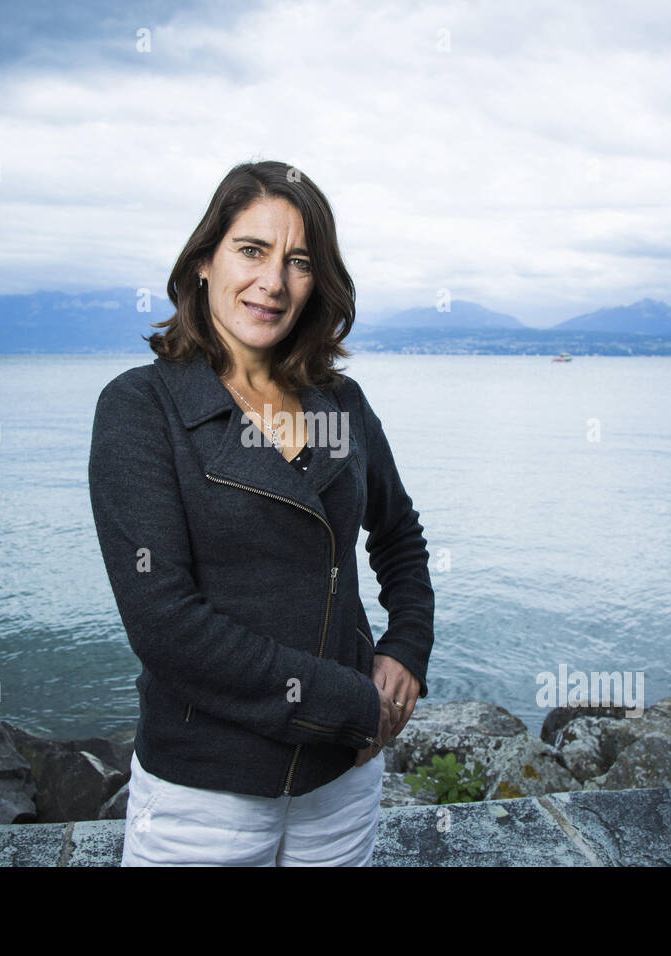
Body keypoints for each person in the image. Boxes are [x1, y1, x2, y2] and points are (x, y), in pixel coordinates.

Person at [88, 160, 435, 865]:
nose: (273, 282)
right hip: (204, 798)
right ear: (204, 262)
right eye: (251, 250)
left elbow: (398, 534)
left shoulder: (339, 405)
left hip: (341, 789)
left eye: (298, 261)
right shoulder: (142, 407)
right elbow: (164, 623)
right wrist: (352, 706)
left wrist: (406, 647)